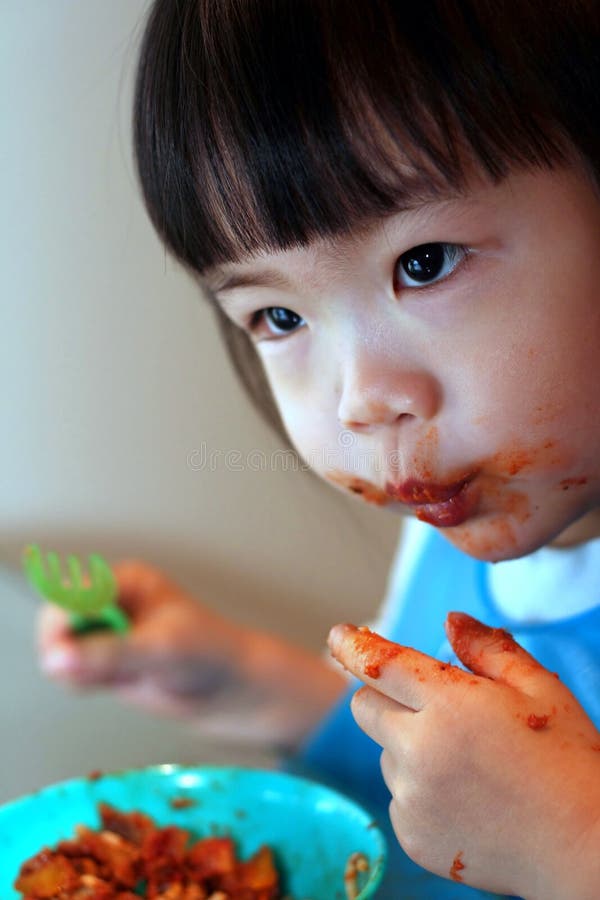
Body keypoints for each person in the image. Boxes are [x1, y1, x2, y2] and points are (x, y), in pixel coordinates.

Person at [37, 1, 600, 897]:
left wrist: (578, 842)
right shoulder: (455, 512)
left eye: (425, 262)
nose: (362, 400)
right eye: (281, 316)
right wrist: (241, 680)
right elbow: (431, 785)